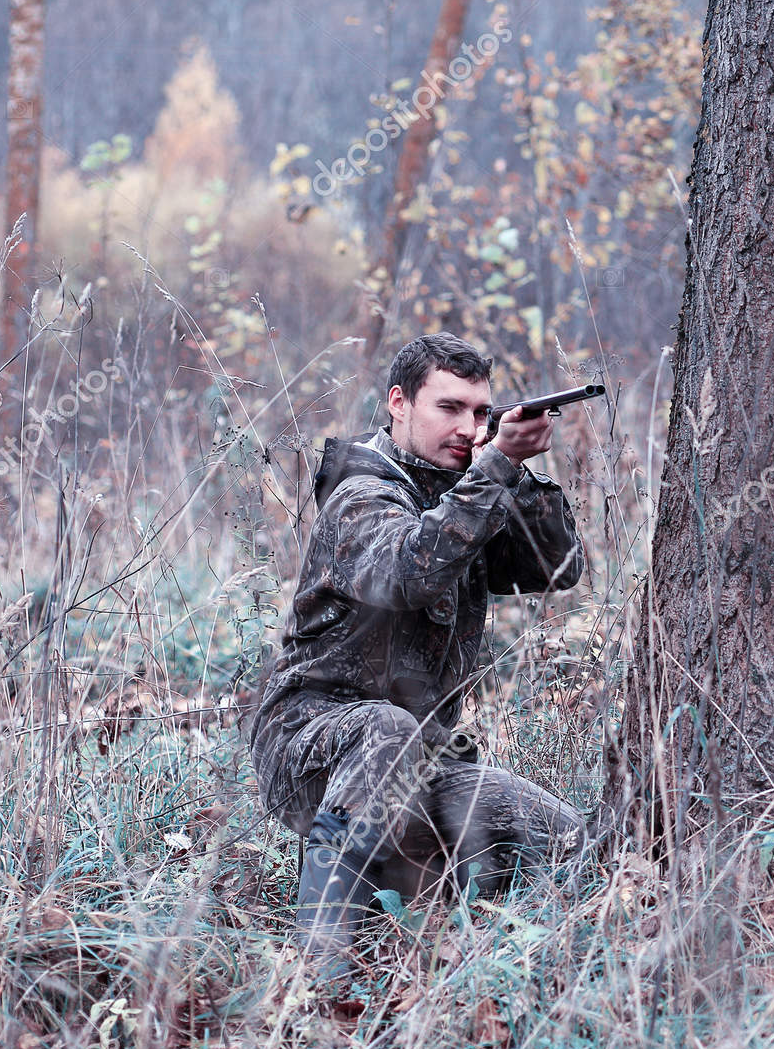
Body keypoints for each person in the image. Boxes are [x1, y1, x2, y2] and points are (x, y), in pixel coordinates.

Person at [248, 333, 586, 983]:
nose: (468, 427)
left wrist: (514, 468)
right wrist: (491, 473)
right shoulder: (359, 491)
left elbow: (558, 566)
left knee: (575, 845)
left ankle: (463, 941)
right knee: (384, 727)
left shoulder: (465, 484)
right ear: (398, 403)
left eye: (482, 413)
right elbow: (408, 573)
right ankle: (318, 969)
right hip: (310, 743)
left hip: (420, 755)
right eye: (449, 407)